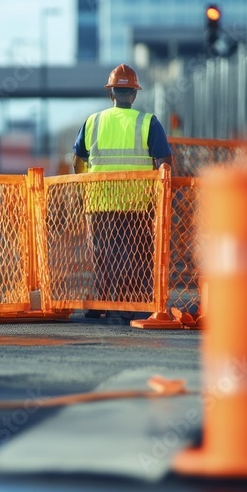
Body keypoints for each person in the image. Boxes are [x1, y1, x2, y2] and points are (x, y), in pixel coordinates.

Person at [72, 64, 173, 316]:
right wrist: (162, 194)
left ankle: (103, 302)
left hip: (98, 202)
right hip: (137, 203)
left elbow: (77, 161)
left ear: (111, 94)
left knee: (102, 255)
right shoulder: (148, 122)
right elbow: (165, 163)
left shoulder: (93, 121)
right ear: (135, 94)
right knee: (136, 253)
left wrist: (84, 188)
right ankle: (132, 302)